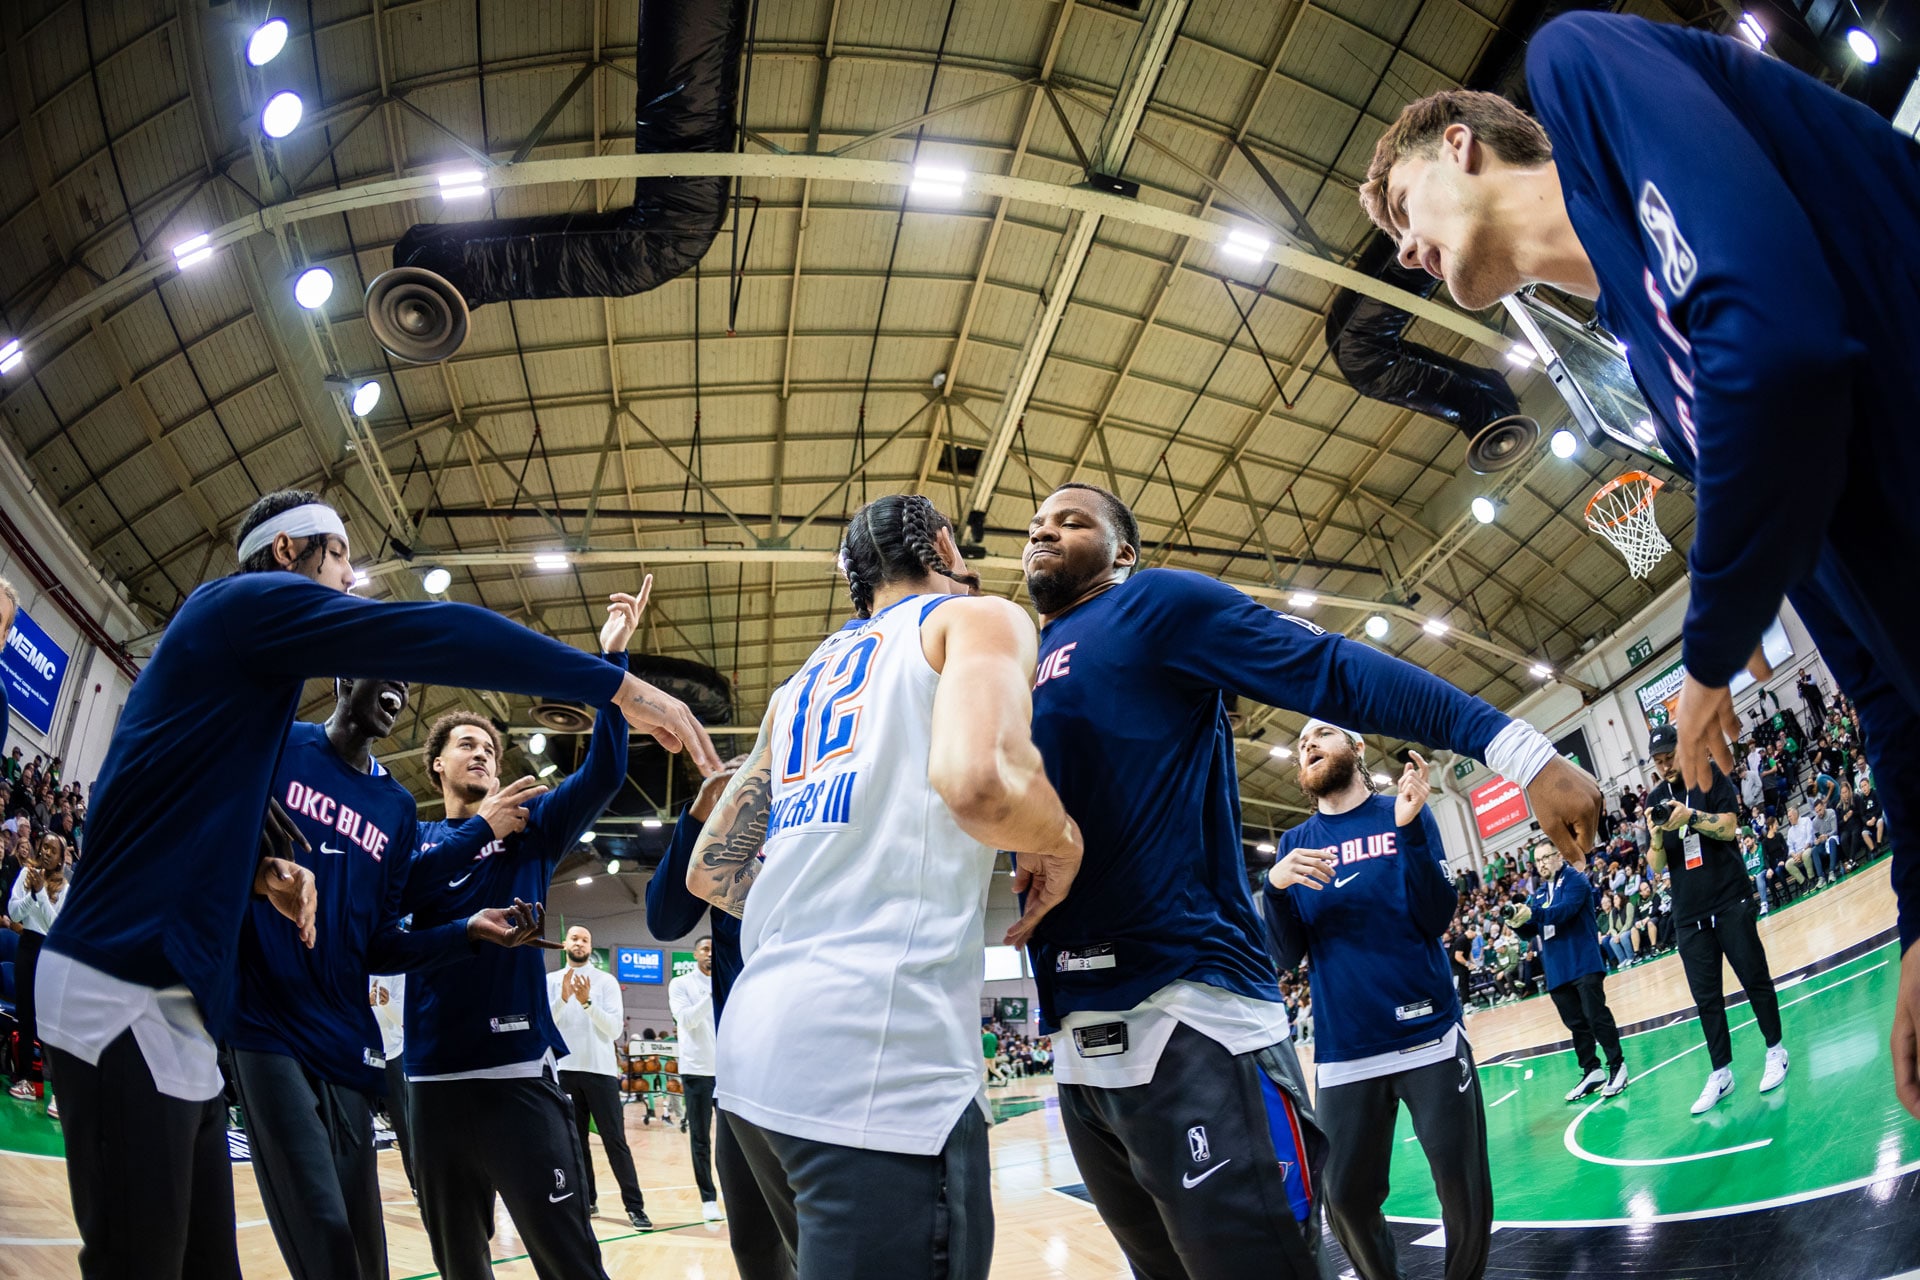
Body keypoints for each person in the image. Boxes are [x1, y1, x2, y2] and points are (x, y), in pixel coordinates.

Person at [1355, 10, 1920, 1117]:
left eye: (1402, 210)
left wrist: (1706, 661)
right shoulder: (1655, 370)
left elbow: (1787, 342)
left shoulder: (1580, 70)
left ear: (1460, 144)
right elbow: (1871, 671)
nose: (1407, 254)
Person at [36, 490, 718, 1280]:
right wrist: (616, 686)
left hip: (195, 1006)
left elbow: (178, 803)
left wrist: (263, 872)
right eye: (339, 555)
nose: (352, 574)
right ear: (287, 552)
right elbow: (440, 632)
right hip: (125, 981)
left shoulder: (263, 709)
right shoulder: (241, 606)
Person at [1014, 482, 1600, 1280]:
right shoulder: (1017, 664)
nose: (1043, 530)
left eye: (1071, 521)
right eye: (1037, 522)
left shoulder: (1152, 603)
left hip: (1192, 1027)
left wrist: (1519, 750)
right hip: (1081, 1056)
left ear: (1123, 551)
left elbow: (1329, 667)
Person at [687, 493, 1083, 1280]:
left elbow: (712, 868)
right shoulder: (976, 617)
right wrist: (1060, 842)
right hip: (877, 1069)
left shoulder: (800, 681)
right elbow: (983, 784)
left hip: (755, 1061)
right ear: (941, 544)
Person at [226, 677, 557, 1280]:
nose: (400, 692)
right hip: (264, 1018)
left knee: (367, 1252)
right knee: (322, 1234)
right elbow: (217, 835)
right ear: (346, 678)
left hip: (346, 1034)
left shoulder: (396, 808)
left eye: (407, 686)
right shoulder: (280, 747)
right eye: (390, 676)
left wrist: (465, 933)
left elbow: (380, 943)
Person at [403, 583, 666, 1279]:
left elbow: (606, 770)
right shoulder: (417, 835)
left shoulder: (532, 826)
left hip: (516, 1072)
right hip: (431, 1079)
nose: (483, 753)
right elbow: (407, 894)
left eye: (490, 745)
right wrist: (476, 834)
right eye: (466, 743)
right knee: (462, 1264)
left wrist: (613, 663)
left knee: (572, 1262)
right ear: (438, 765)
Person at [1265, 728, 1491, 1280]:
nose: (1307, 744)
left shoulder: (1404, 812)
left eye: (1321, 734)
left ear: (1357, 749)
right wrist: (1273, 889)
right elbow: (1286, 954)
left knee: (1463, 1191)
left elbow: (1436, 916)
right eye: (1300, 743)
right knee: (1342, 1196)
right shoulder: (1296, 842)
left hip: (1429, 1037)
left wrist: (1411, 831)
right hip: (1347, 1053)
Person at [647, 759, 796, 1280]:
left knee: (818, 1242)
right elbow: (665, 921)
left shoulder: (814, 828)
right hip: (739, 1075)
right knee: (754, 1245)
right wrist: (698, 816)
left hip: (812, 1064)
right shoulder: (728, 843)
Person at [1644, 722, 1788, 1114]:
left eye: (1668, 757)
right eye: (1657, 761)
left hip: (1729, 899)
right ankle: (1721, 1072)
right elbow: (1655, 867)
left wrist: (1689, 816)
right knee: (1706, 999)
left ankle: (1776, 1049)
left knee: (1753, 977)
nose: (1664, 766)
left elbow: (1728, 827)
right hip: (1689, 914)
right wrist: (1656, 836)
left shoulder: (1710, 777)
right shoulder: (1655, 797)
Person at [548, 925, 651, 1228]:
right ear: (565, 943)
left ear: (591, 946)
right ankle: (587, 1200)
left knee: (615, 1141)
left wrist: (587, 1002)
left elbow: (614, 1030)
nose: (579, 943)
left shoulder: (606, 981)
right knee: (574, 1143)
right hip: (564, 1070)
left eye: (585, 939)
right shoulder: (551, 981)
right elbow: (546, 1024)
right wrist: (564, 998)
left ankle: (635, 1206)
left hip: (601, 1072)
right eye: (575, 938)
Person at [1507, 844, 1627, 1101]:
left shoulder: (1575, 879)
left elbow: (1565, 911)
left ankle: (1617, 1065)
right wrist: (1515, 923)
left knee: (1596, 1016)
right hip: (1557, 969)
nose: (1542, 864)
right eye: (1537, 861)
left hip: (1582, 962)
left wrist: (1534, 913)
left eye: (1546, 858)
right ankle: (1591, 1070)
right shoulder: (1538, 894)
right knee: (1575, 1024)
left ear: (1558, 857)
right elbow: (1531, 929)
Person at [8, 833, 68, 1117]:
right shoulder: (25, 873)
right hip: (27, 948)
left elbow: (55, 926)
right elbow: (14, 913)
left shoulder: (65, 887)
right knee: (26, 1016)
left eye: (52, 849)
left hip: (50, 952)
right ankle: (28, 1082)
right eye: (43, 846)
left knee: (49, 1023)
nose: (45, 852)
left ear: (60, 858)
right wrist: (32, 894)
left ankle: (59, 1092)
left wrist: (41, 893)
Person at [666, 935, 721, 1221]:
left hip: (728, 1072)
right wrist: (713, 993)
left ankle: (733, 1194)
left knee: (732, 1141)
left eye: (714, 949)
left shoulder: (730, 979)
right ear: (696, 954)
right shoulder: (681, 984)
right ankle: (708, 1198)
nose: (710, 954)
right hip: (697, 1070)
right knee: (700, 1138)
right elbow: (685, 1020)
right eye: (705, 949)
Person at [369, 973, 414, 1198]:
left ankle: (417, 1186)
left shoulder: (397, 968)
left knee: (405, 1126)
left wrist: (386, 1004)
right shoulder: (354, 954)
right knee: (356, 1126)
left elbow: (403, 1018)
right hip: (359, 1052)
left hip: (392, 1052)